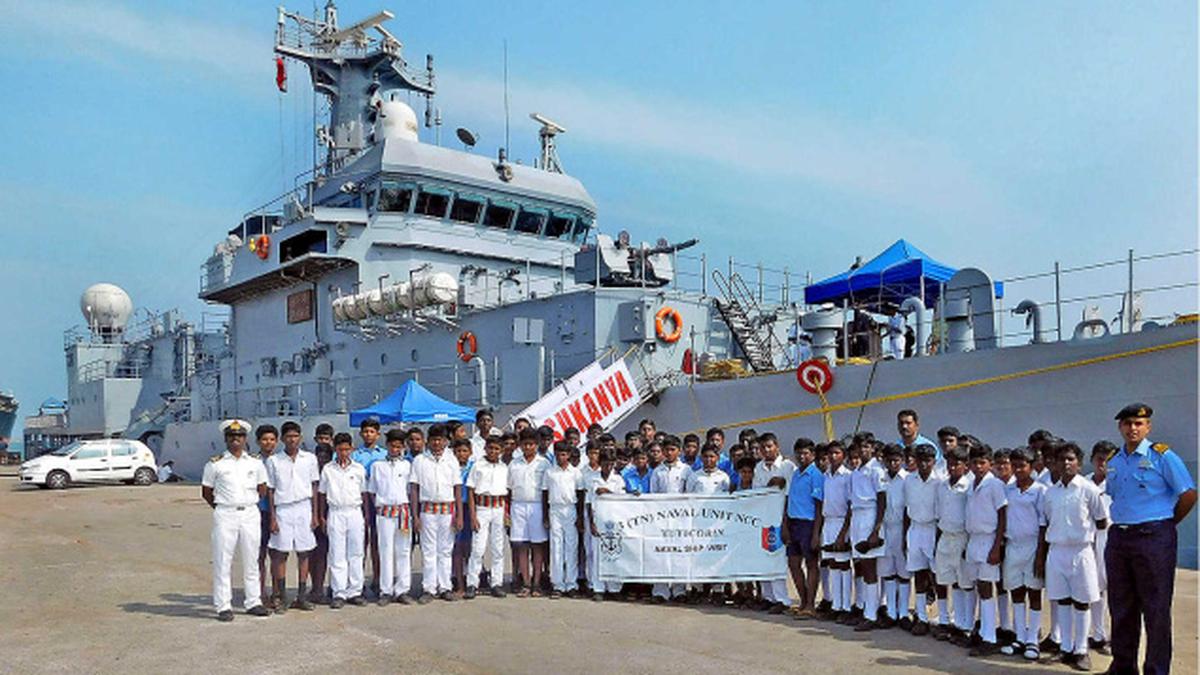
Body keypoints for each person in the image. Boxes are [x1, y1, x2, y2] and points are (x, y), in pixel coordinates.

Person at [1104, 403, 1196, 675]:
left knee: (1156, 610)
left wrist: (1165, 524)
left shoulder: (1163, 457)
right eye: (1128, 423)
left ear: (1148, 427)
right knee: (1121, 607)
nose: (1133, 428)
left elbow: (1189, 494)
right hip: (1120, 538)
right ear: (1120, 427)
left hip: (1153, 538)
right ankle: (1123, 667)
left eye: (1139, 424)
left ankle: (1156, 670)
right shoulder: (1114, 460)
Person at [1038, 442, 1109, 672]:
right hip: (1057, 551)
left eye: (1071, 459)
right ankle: (1066, 648)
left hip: (1081, 551)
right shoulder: (1050, 493)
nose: (1066, 463)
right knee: (1063, 600)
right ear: (1056, 463)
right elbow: (1046, 522)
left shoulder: (1089, 490)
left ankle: (1081, 649)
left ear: (1079, 463)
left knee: (1081, 600)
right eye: (1062, 459)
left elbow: (1101, 521)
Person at [201, 419, 271, 621]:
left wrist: (248, 503)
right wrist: (223, 507)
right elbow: (207, 491)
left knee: (252, 559)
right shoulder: (215, 464)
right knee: (223, 560)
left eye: (239, 436)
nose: (235, 440)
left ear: (245, 439)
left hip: (250, 512)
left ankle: (253, 601)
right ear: (225, 439)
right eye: (232, 437)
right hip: (226, 514)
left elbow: (262, 487)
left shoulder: (255, 463)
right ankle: (223, 605)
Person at [264, 421, 319, 613]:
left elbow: (314, 486)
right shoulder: (273, 461)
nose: (292, 440)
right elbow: (270, 490)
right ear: (282, 439)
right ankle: (281, 596)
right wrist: (272, 517)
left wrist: (315, 515)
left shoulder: (309, 459)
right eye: (288, 436)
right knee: (280, 553)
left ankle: (302, 596)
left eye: (295, 436)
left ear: (300, 438)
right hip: (283, 509)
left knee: (304, 553)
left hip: (304, 507)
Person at [1001, 445, 1047, 661]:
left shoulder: (1040, 491)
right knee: (1016, 592)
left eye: (1023, 466)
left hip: (1032, 547)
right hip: (1013, 546)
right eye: (1015, 466)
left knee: (1034, 593)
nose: (1018, 470)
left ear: (1031, 466)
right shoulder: (1008, 490)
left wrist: (1040, 555)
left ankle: (1033, 640)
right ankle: (1019, 637)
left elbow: (1042, 525)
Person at [409, 424, 462, 602]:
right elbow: (414, 489)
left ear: (446, 441)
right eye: (433, 440)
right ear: (428, 441)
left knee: (446, 550)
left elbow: (457, 489)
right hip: (427, 511)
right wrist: (415, 516)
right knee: (429, 550)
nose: (437, 443)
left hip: (447, 511)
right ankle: (429, 588)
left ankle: (445, 586)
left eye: (440, 440)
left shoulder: (452, 460)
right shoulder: (420, 461)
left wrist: (459, 515)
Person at [963, 444, 1007, 656]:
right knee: (978, 587)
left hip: (989, 539)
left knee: (987, 588)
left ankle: (989, 637)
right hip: (974, 540)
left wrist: (997, 546)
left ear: (990, 463)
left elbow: (1002, 516)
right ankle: (980, 630)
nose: (978, 467)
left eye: (982, 462)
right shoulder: (972, 484)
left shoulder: (995, 485)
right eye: (975, 463)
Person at [317, 432, 369, 609]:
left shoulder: (359, 469)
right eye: (340, 449)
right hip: (336, 512)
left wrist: (366, 516)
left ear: (352, 449)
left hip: (354, 512)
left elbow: (364, 494)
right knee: (337, 553)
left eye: (347, 449)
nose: (344, 453)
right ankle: (339, 592)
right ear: (335, 450)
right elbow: (322, 495)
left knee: (356, 553)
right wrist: (322, 516)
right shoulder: (328, 469)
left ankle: (355, 591)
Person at [368, 428, 414, 605]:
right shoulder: (377, 466)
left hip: (402, 512)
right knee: (385, 551)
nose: (395, 449)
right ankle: (385, 590)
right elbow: (372, 491)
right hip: (385, 513)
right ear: (387, 445)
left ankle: (402, 589)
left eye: (399, 446)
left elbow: (411, 491)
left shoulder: (407, 466)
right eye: (393, 446)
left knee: (403, 551)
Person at [933, 445, 972, 643]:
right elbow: (939, 513)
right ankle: (944, 620)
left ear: (966, 466)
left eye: (957, 464)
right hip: (945, 536)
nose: (952, 467)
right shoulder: (941, 485)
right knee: (943, 579)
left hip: (962, 537)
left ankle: (965, 625)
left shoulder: (969, 486)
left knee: (963, 582)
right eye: (949, 463)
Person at [847, 440, 886, 631]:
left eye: (866, 447)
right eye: (859, 447)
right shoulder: (856, 472)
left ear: (872, 449)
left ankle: (872, 614)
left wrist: (876, 529)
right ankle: (864, 608)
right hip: (857, 517)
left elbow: (882, 499)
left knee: (870, 569)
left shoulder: (876, 470)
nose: (862, 451)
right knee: (860, 566)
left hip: (870, 516)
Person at [902, 443, 940, 636]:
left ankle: (942, 618)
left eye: (928, 460)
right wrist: (904, 537)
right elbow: (906, 511)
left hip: (933, 528)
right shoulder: (909, 480)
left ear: (934, 461)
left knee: (937, 576)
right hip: (915, 529)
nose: (924, 464)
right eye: (920, 460)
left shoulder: (940, 481)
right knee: (919, 574)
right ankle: (921, 616)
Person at [784, 438, 823, 619]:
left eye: (806, 453)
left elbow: (818, 506)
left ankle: (810, 604)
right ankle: (803, 600)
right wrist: (785, 525)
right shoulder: (795, 473)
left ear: (812, 455)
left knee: (811, 564)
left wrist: (816, 533)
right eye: (799, 453)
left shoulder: (816, 475)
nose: (802, 456)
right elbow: (789, 500)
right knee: (793, 564)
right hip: (794, 523)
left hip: (809, 523)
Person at [508, 429, 550, 597]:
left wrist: (546, 514)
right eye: (525, 444)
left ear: (537, 445)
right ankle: (525, 582)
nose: (528, 447)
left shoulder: (544, 463)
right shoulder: (514, 464)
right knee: (521, 545)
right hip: (518, 506)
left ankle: (537, 583)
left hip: (537, 506)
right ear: (520, 445)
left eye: (531, 444)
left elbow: (547, 490)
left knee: (537, 545)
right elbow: (509, 489)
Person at [466, 436, 509, 599]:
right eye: (490, 448)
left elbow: (507, 491)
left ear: (501, 450)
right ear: (485, 449)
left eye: (497, 449)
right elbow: (470, 490)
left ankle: (496, 583)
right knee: (478, 548)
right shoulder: (478, 466)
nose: (493, 451)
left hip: (498, 507)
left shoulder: (504, 467)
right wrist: (473, 515)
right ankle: (472, 583)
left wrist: (506, 512)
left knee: (498, 548)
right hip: (482, 508)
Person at [650, 435, 692, 602]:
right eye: (666, 449)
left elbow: (689, 495)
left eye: (672, 449)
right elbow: (652, 495)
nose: (669, 452)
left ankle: (679, 589)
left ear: (679, 451)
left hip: (680, 518)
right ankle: (660, 590)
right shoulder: (657, 471)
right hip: (661, 517)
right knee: (660, 553)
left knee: (678, 553)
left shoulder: (686, 470)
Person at [542, 440, 585, 598]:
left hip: (570, 509)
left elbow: (580, 494)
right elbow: (544, 493)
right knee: (556, 546)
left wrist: (580, 516)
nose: (562, 457)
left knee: (571, 547)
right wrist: (545, 515)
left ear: (569, 455)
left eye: (565, 454)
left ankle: (571, 584)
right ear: (555, 454)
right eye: (559, 454)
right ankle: (558, 584)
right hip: (555, 509)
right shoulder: (549, 472)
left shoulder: (575, 473)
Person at [817, 441, 853, 621]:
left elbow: (850, 507)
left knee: (843, 565)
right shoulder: (826, 476)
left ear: (843, 455)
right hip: (828, 523)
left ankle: (846, 606)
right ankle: (836, 604)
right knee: (832, 564)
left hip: (841, 523)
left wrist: (843, 534)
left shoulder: (847, 476)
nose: (832, 457)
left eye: (837, 453)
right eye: (830, 453)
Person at [586, 446, 626, 601]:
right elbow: (589, 503)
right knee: (597, 555)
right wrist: (592, 523)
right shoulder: (593, 478)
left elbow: (623, 500)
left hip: (614, 520)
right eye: (605, 463)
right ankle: (598, 588)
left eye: (610, 464)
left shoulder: (618, 479)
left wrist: (607, 492)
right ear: (600, 463)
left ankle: (614, 588)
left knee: (614, 554)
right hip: (598, 519)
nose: (608, 467)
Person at [1086, 440, 1116, 655]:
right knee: (1094, 589)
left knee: (1116, 590)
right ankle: (1098, 634)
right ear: (1092, 460)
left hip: (1112, 538)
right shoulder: (1085, 483)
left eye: (1107, 460)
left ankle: (1117, 636)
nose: (1102, 464)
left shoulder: (1117, 483)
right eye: (1099, 459)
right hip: (1089, 539)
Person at [353, 419, 387, 597]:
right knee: (359, 543)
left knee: (378, 542)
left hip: (379, 501)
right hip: (359, 501)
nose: (368, 435)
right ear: (360, 434)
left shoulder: (384, 455)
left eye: (372, 432)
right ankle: (357, 581)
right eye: (365, 431)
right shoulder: (355, 455)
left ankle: (378, 579)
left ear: (378, 434)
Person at [878, 443, 910, 629]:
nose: (893, 463)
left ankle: (904, 613)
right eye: (890, 460)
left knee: (903, 572)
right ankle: (891, 611)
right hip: (885, 528)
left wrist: (906, 536)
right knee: (888, 571)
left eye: (897, 460)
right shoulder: (881, 478)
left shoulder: (906, 480)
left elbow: (907, 509)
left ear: (903, 461)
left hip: (901, 528)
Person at [307, 424, 335, 604]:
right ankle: (316, 587)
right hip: (312, 516)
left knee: (334, 553)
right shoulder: (310, 468)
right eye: (320, 455)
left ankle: (334, 587)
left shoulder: (334, 470)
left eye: (326, 455)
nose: (322, 458)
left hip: (334, 514)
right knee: (313, 552)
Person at [253, 424, 278, 607]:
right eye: (264, 439)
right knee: (259, 554)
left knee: (276, 554)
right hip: (258, 511)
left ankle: (277, 592)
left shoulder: (281, 461)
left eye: (271, 439)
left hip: (278, 512)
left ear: (276, 442)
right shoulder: (252, 462)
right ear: (258, 442)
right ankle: (260, 592)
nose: (268, 443)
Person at [450, 438, 475, 596]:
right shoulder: (450, 467)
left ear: (470, 452)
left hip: (469, 508)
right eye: (458, 451)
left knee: (470, 547)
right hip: (453, 508)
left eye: (465, 451)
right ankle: (458, 583)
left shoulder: (474, 467)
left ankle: (470, 580)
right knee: (456, 547)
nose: (461, 454)